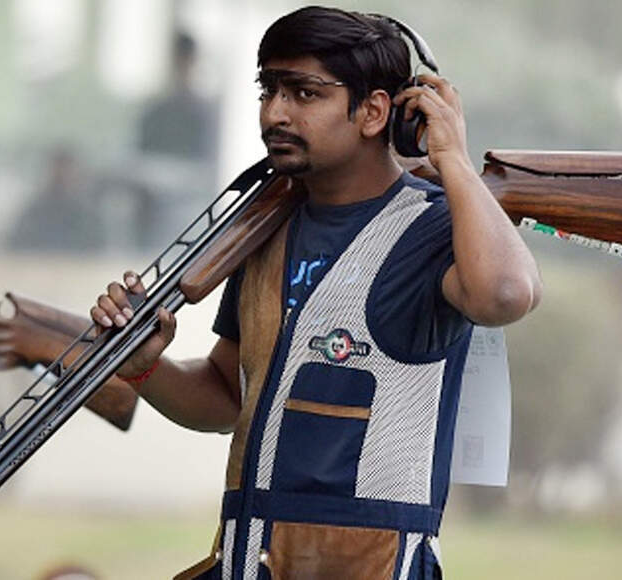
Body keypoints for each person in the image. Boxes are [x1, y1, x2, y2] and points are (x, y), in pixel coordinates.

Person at [89, 7, 542, 579]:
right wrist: (145, 369)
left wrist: (451, 159)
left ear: (375, 111)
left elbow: (504, 293)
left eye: (304, 93)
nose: (275, 113)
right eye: (269, 89)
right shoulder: (263, 228)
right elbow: (229, 397)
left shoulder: (431, 229)